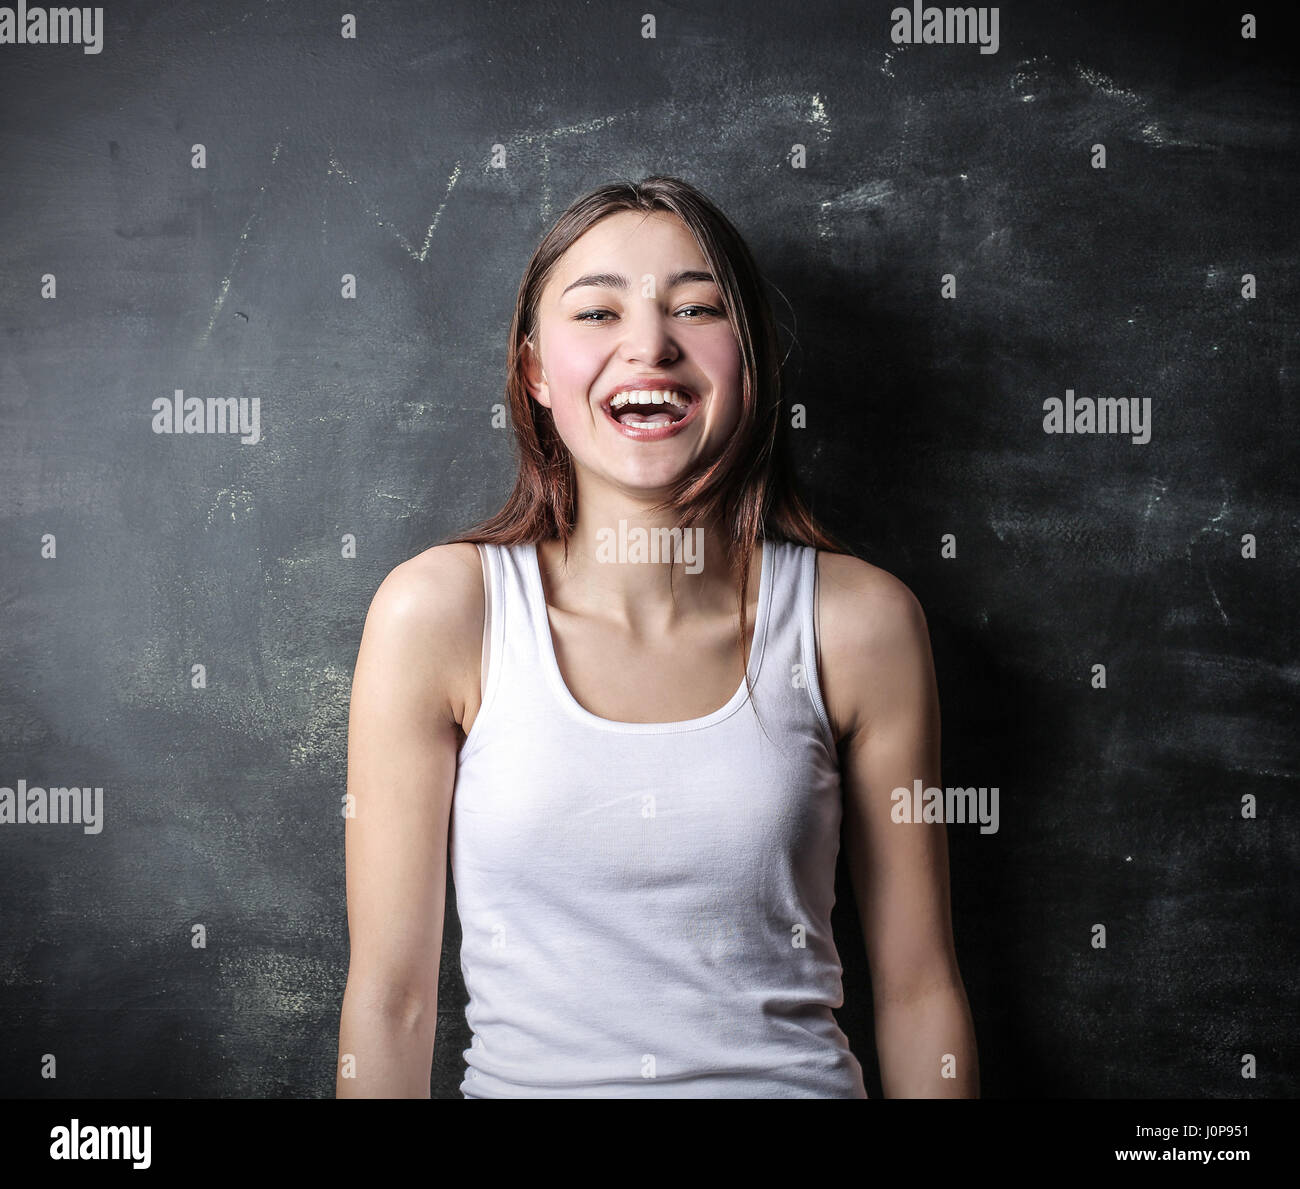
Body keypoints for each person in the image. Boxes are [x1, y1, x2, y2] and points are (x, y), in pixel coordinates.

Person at [335, 175, 978, 1098]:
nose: (649, 345)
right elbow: (391, 1002)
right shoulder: (437, 613)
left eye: (697, 307)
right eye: (597, 312)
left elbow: (920, 992)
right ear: (535, 374)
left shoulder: (862, 622)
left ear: (751, 366)